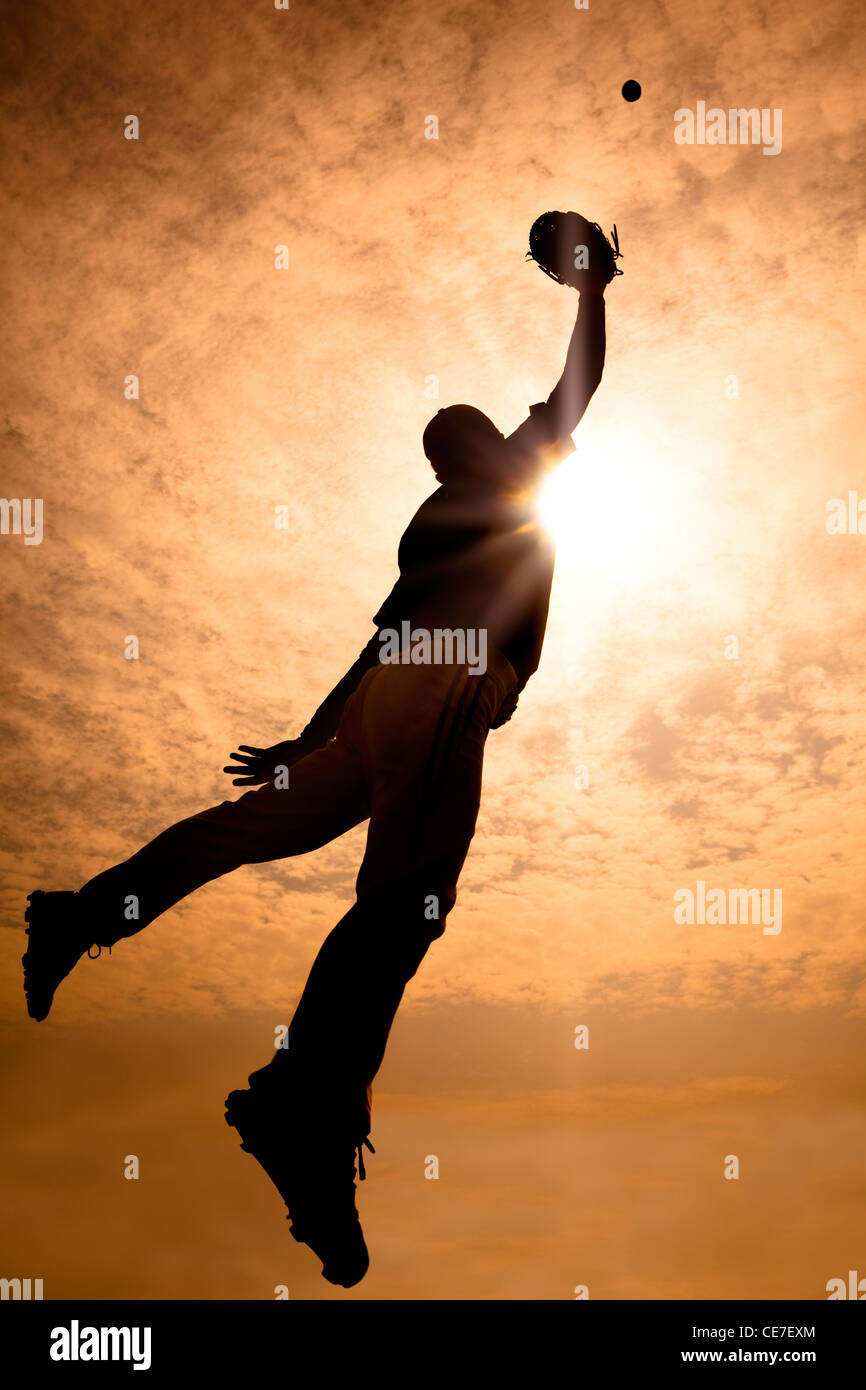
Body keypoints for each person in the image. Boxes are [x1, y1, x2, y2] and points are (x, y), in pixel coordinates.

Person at [23, 274, 607, 1288]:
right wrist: (591, 284)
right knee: (404, 905)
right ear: (481, 445)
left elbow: (372, 641)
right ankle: (305, 1104)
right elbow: (580, 380)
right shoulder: (507, 474)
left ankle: (78, 916)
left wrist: (311, 742)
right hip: (441, 681)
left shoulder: (438, 518)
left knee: (238, 833)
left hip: (386, 698)